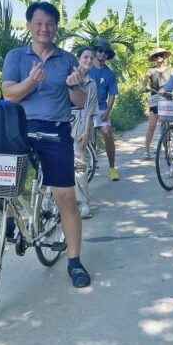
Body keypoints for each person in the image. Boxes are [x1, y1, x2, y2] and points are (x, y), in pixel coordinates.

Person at [0, 1, 91, 288]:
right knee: (1, 182)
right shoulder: (16, 56)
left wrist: (74, 85)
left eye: (50, 24)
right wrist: (30, 80)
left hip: (55, 130)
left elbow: (80, 102)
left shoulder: (66, 60)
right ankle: (12, 218)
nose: (44, 29)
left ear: (56, 28)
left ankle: (74, 262)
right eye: (38, 23)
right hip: (19, 127)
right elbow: (10, 95)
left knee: (65, 197)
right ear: (29, 25)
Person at [87, 40, 120, 181]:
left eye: (105, 52)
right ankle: (86, 165)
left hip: (100, 107)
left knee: (107, 133)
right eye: (100, 50)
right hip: (83, 106)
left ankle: (112, 168)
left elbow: (112, 94)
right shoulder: (86, 68)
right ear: (95, 51)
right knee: (83, 137)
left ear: (108, 55)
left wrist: (107, 111)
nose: (102, 53)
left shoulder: (110, 74)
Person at [72, 46, 97, 218]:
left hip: (81, 121)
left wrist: (86, 131)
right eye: (85, 57)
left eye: (91, 58)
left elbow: (89, 109)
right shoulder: (69, 76)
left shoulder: (91, 83)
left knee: (79, 163)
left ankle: (84, 202)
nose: (88, 60)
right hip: (62, 119)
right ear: (78, 58)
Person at [141, 48, 173, 159]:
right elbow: (144, 80)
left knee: (171, 125)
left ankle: (170, 148)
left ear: (164, 56)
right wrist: (143, 87)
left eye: (161, 55)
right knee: (151, 126)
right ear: (154, 58)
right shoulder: (151, 70)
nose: (159, 57)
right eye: (156, 55)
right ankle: (146, 150)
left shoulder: (171, 70)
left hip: (168, 99)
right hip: (155, 99)